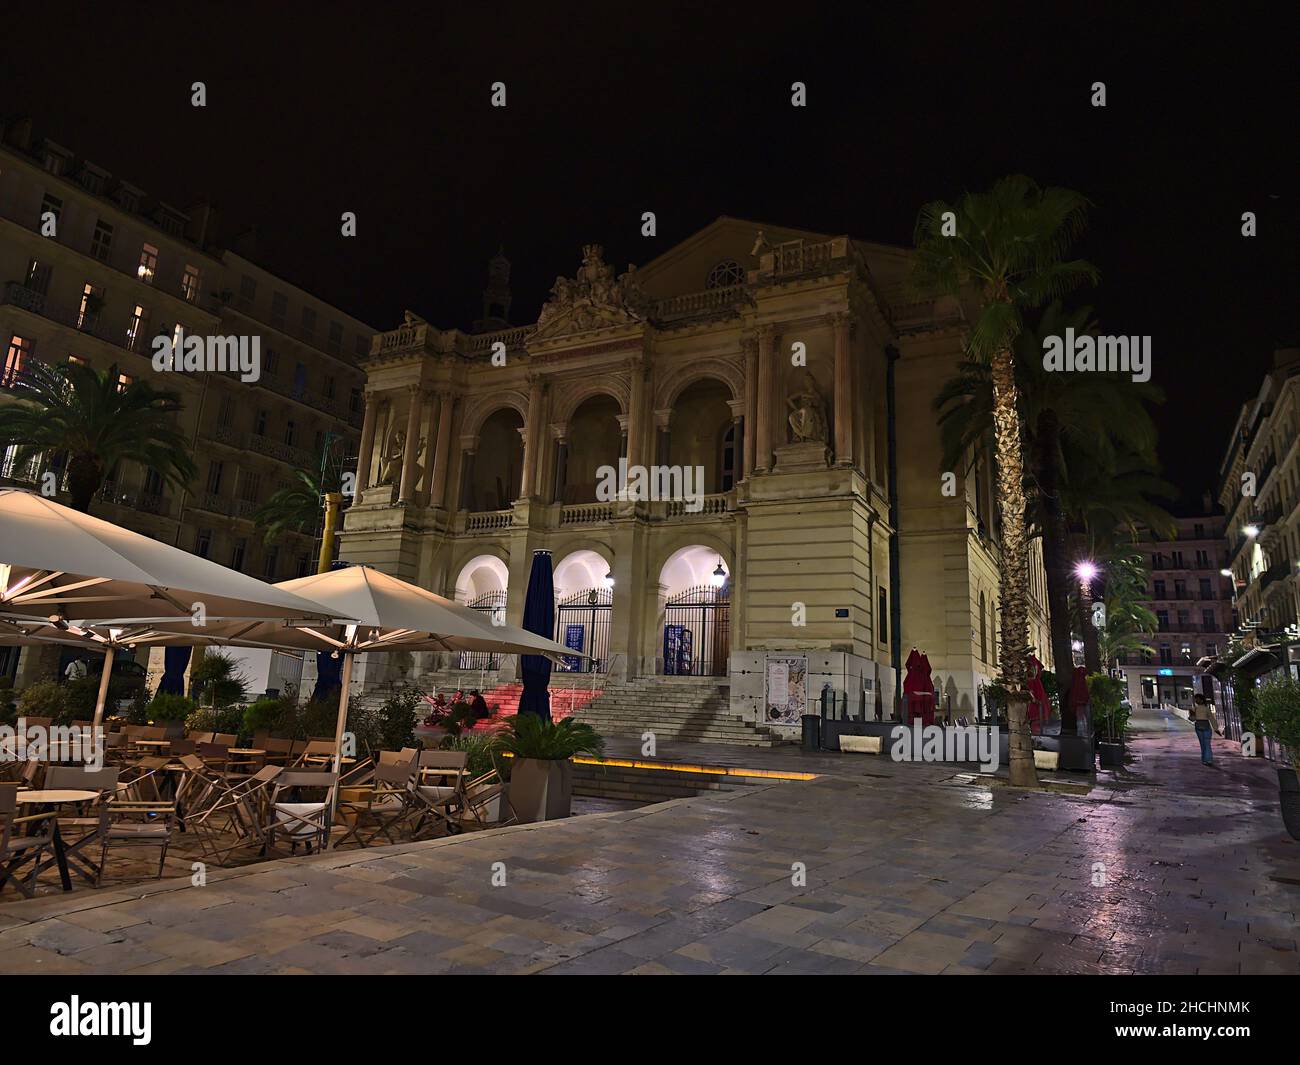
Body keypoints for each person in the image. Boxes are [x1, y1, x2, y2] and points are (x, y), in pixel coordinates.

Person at [1191, 694, 1222, 765]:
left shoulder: (1194, 709)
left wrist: (1192, 716)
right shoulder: (1206, 708)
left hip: (1198, 726)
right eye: (1196, 699)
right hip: (1206, 726)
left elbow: (1192, 719)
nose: (1196, 700)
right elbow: (1212, 719)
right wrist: (1216, 729)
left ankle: (1204, 760)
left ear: (1201, 700)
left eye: (1197, 699)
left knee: (1202, 744)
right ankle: (1209, 759)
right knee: (1207, 744)